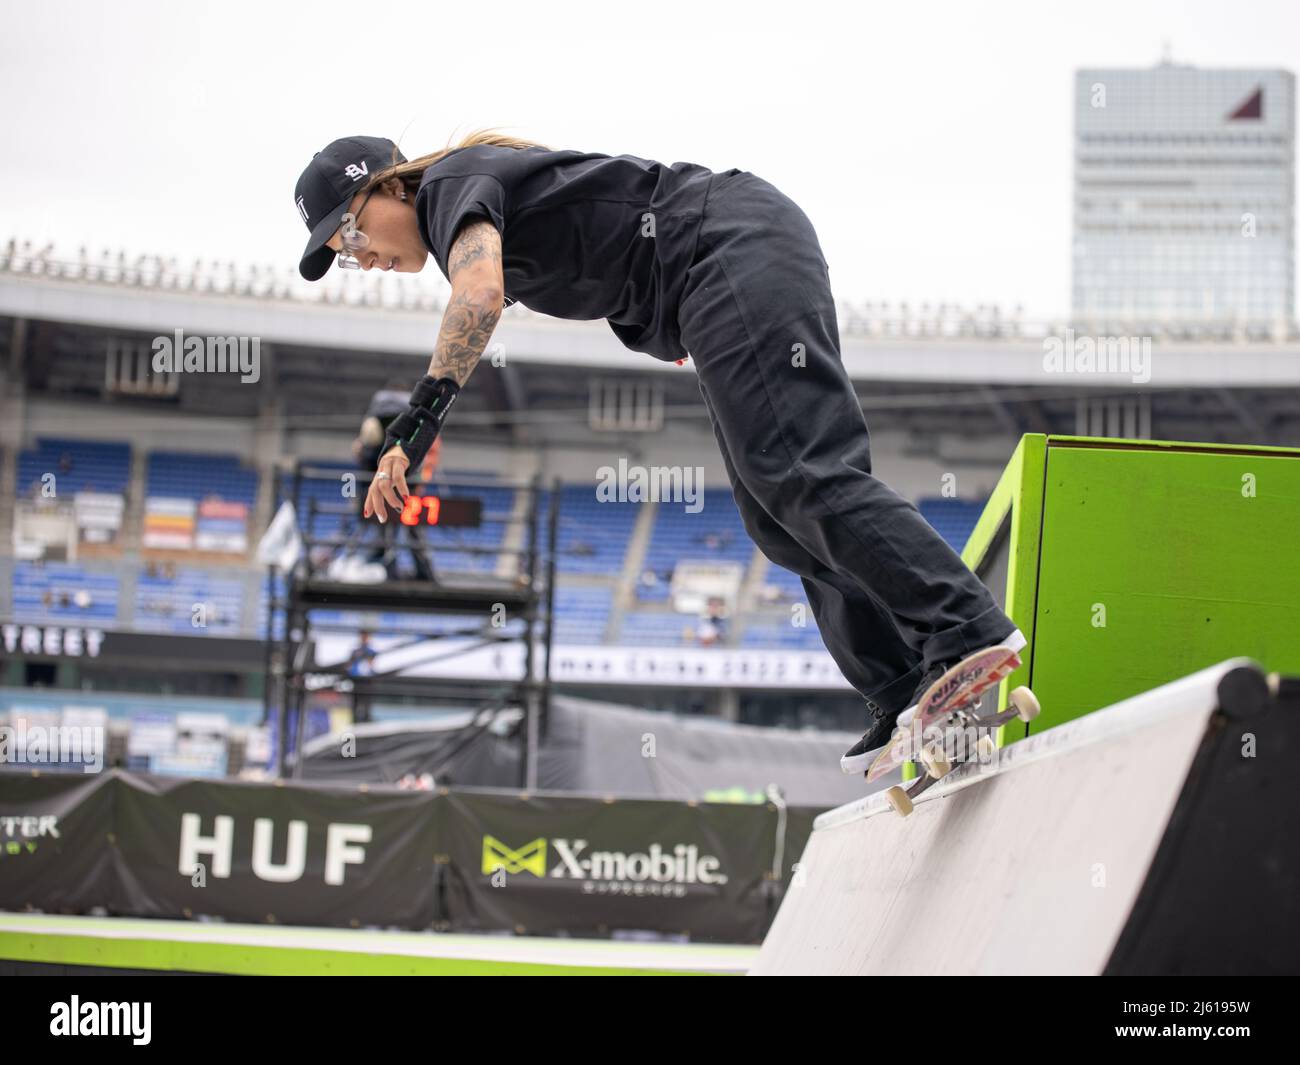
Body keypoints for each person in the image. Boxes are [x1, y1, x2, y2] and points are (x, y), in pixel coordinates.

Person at [291, 130, 1025, 775]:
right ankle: (905, 692)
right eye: (345, 259)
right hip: (718, 277)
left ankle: (965, 630)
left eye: (353, 237)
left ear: (388, 184)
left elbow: (477, 297)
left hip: (730, 247)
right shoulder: (471, 202)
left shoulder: (446, 189)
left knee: (800, 472)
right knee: (773, 514)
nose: (365, 259)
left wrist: (411, 431)